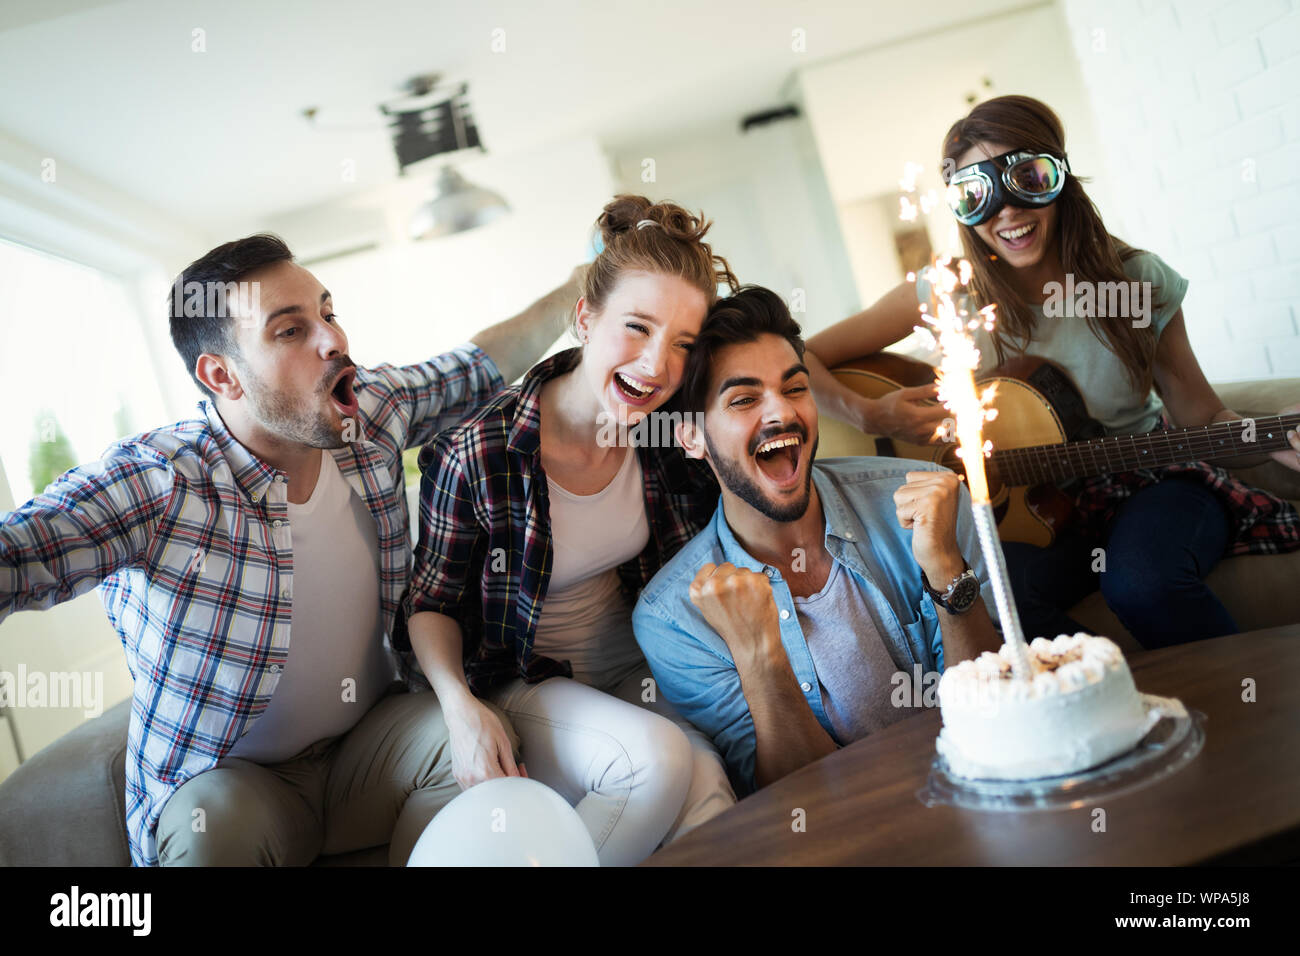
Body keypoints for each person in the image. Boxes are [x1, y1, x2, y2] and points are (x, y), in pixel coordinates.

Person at [0, 233, 578, 866]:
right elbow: (23, 553)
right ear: (222, 376)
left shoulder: (367, 416)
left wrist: (582, 283)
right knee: (210, 830)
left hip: (369, 748)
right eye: (289, 332)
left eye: (328, 314)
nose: (333, 341)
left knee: (481, 746)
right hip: (239, 785)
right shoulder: (159, 480)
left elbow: (477, 366)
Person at [803, 95, 1300, 650]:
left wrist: (1277, 438)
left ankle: (1238, 709)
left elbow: (1201, 414)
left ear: (1060, 179)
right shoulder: (947, 291)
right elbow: (795, 356)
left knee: (1140, 583)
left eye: (1028, 178)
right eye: (978, 194)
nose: (1007, 212)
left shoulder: (1135, 283)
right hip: (1030, 515)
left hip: (1148, 484)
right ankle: (1105, 702)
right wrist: (870, 412)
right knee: (991, 595)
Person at [399, 195, 740, 865]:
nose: (655, 365)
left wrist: (723, 464)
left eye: (682, 345)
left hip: (643, 666)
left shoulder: (669, 432)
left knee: (708, 792)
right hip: (528, 679)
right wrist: (459, 707)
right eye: (636, 327)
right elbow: (430, 604)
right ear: (585, 317)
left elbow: (781, 366)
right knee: (658, 761)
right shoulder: (479, 451)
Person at [631, 286, 1002, 795]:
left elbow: (994, 708)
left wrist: (945, 570)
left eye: (795, 388)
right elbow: (796, 799)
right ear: (691, 437)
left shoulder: (926, 502)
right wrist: (758, 653)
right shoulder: (673, 619)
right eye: (744, 399)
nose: (781, 414)